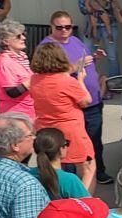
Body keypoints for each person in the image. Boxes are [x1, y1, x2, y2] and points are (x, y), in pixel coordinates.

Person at [40, 10, 109, 183]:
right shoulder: (47, 47)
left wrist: (94, 57)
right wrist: (74, 67)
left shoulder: (76, 40)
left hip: (92, 100)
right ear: (51, 27)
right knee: (68, 147)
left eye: (68, 27)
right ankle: (71, 181)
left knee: (94, 141)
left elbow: (85, 63)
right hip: (72, 105)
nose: (64, 30)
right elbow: (47, 74)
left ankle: (98, 172)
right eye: (60, 27)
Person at [27, 41, 95, 191]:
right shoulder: (67, 81)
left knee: (54, 169)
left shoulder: (34, 80)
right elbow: (86, 101)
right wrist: (80, 80)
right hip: (71, 131)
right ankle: (84, 203)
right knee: (88, 168)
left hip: (46, 129)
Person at [0, 20, 35, 118]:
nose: (23, 38)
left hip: (28, 113)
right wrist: (34, 79)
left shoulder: (21, 58)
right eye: (18, 36)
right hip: (15, 116)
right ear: (6, 41)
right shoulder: (5, 62)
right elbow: (12, 92)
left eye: (23, 34)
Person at [30, 127, 89, 200]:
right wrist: (87, 172)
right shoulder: (69, 180)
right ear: (61, 149)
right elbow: (88, 205)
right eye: (66, 143)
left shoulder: (28, 175)